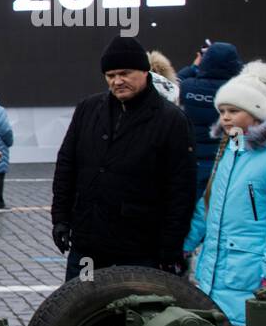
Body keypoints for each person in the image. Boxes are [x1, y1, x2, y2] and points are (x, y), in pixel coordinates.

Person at [52, 37, 196, 282]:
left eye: (125, 73)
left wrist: (171, 244)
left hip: (140, 248)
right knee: (80, 309)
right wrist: (61, 219)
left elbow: (181, 187)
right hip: (88, 246)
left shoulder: (171, 119)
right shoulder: (88, 109)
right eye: (110, 75)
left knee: (136, 316)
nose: (117, 81)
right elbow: (67, 165)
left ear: (144, 71)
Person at [184, 62, 266, 326]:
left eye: (233, 111)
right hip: (219, 274)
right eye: (222, 111)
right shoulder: (231, 148)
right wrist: (186, 243)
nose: (225, 118)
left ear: (256, 113)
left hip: (256, 279)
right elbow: (210, 205)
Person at [179, 41, 243, 193]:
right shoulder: (240, 91)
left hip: (191, 162)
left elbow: (172, 83)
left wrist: (195, 66)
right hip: (226, 163)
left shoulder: (187, 87)